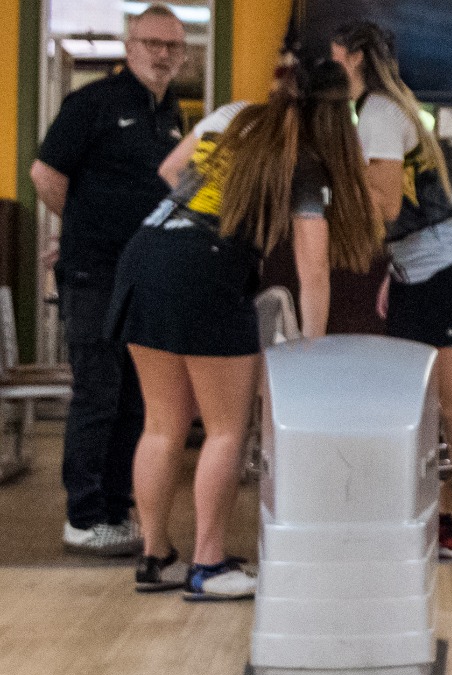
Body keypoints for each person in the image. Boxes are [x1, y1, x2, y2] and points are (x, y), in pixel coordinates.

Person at [115, 59, 378, 599]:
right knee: (225, 429)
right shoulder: (305, 161)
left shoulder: (233, 116)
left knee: (162, 425)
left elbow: (170, 170)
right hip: (204, 267)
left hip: (145, 251)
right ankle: (208, 566)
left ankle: (156, 556)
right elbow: (313, 269)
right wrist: (312, 348)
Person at [331, 21, 452, 559]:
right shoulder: (383, 109)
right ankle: (441, 512)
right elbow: (399, 209)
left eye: (332, 53)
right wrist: (392, 271)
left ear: (352, 56)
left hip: (445, 272)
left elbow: (386, 207)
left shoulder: (378, 112)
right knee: (425, 406)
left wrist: (328, 211)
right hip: (416, 272)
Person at [30, 4, 187, 557]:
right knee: (98, 393)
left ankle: (116, 510)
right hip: (94, 273)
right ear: (129, 45)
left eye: (172, 45)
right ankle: (83, 515)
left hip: (145, 277)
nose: (162, 54)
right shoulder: (91, 104)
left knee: (137, 400)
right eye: (152, 43)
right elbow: (45, 174)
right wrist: (81, 227)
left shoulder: (172, 115)